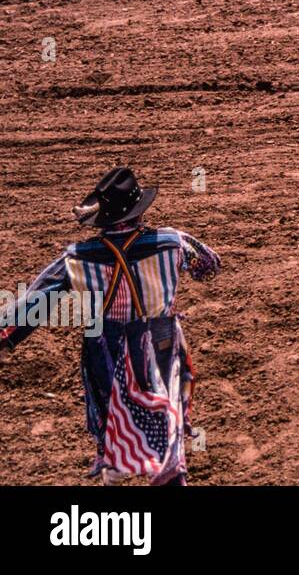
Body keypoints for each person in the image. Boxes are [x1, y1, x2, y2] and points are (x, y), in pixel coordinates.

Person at [0, 166, 221, 485]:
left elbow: (37, 301)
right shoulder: (173, 242)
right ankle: (169, 468)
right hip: (160, 340)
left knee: (112, 410)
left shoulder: (77, 258)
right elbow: (208, 265)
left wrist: (7, 339)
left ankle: (116, 465)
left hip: (107, 346)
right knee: (167, 403)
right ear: (139, 211)